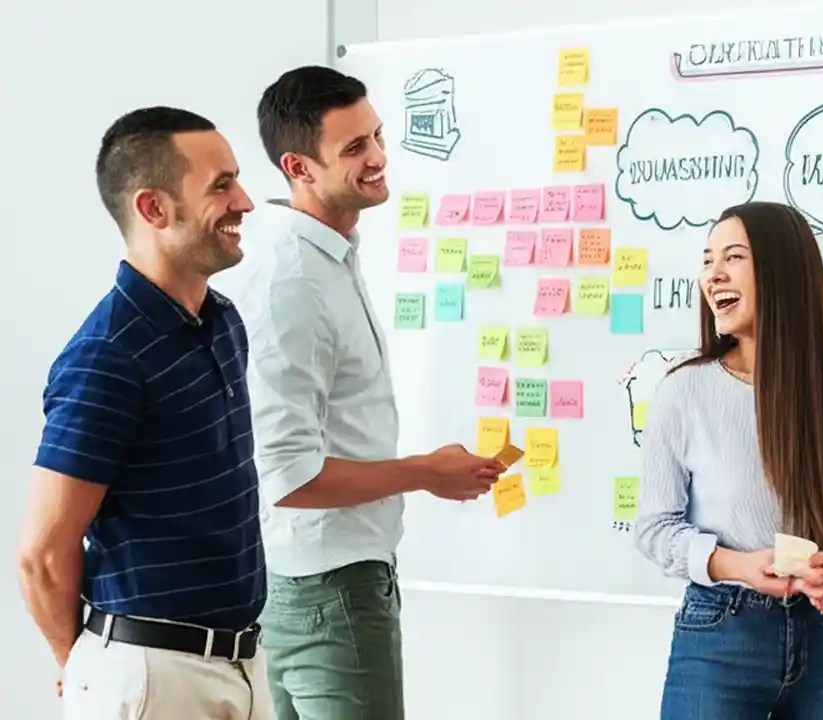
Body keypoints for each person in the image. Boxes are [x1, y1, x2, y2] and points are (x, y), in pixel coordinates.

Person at [234, 66, 505, 720]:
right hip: (329, 588)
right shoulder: (292, 283)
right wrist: (425, 473)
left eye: (377, 136)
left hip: (326, 581)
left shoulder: (327, 260)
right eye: (354, 148)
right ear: (299, 166)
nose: (380, 157)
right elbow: (288, 475)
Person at [16, 107, 270, 718]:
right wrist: (80, 664)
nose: (245, 201)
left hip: (242, 662)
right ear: (153, 209)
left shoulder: (222, 321)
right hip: (152, 675)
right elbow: (43, 555)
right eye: (221, 186)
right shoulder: (107, 355)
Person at [634, 200, 823, 719]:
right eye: (707, 260)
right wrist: (739, 566)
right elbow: (654, 529)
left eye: (733, 257)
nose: (713, 275)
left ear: (782, 270)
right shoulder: (683, 391)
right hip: (719, 632)